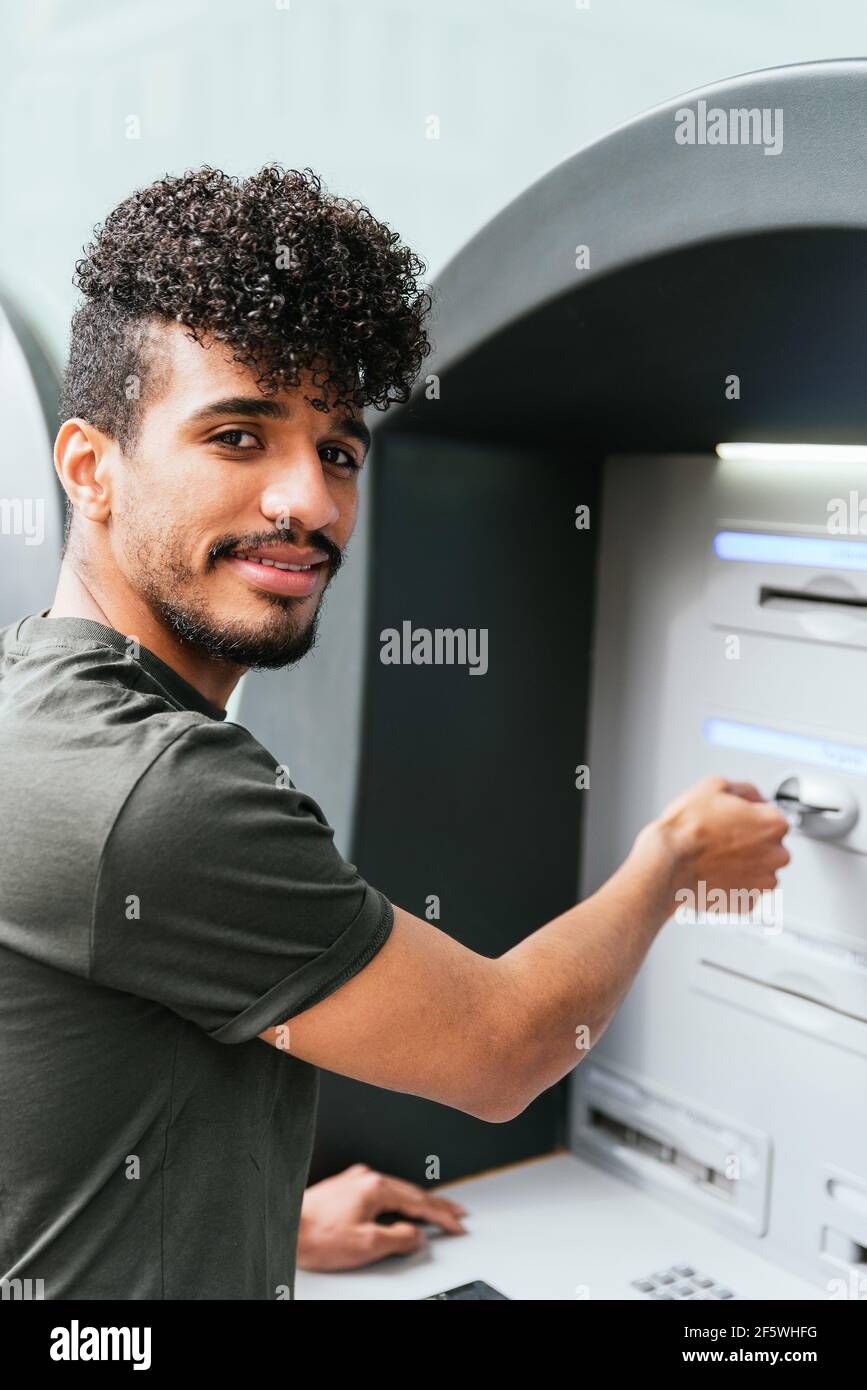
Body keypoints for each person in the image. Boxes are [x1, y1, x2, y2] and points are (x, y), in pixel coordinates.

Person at [0, 165, 790, 1300]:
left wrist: (260, 1220)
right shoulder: (160, 790)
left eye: (338, 451)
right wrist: (673, 859)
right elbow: (505, 1053)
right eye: (238, 436)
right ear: (90, 469)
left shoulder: (33, 693)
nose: (310, 503)